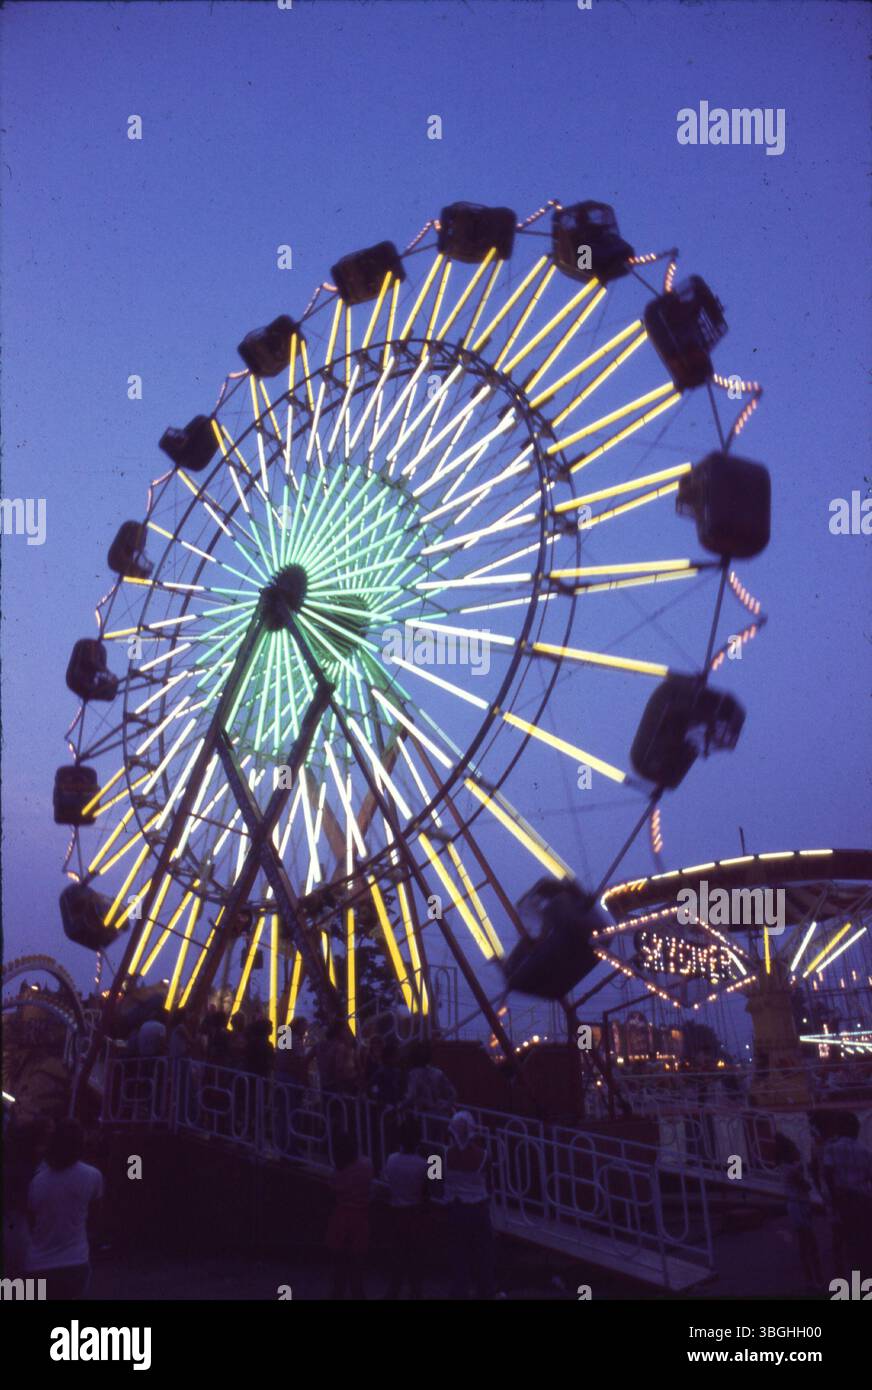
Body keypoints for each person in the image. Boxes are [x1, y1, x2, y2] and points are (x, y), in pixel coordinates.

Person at [27, 1119, 103, 1300]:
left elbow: (31, 1221)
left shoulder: (37, 1181)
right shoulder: (92, 1176)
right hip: (75, 1262)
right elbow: (95, 1216)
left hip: (38, 1263)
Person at [444, 1110, 494, 1299]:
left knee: (458, 1255)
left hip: (456, 1209)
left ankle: (459, 1292)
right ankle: (485, 1291)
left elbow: (436, 1182)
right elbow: (490, 1185)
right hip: (479, 1209)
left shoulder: (442, 1155)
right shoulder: (485, 1156)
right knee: (483, 1254)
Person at [381, 1118, 429, 1299]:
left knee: (397, 1255)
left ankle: (393, 1290)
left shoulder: (391, 1160)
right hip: (415, 1213)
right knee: (415, 1256)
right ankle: (416, 1291)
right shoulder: (423, 1164)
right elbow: (431, 1187)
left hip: (396, 1213)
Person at [821, 1111, 872, 1272]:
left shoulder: (831, 1149)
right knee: (865, 1241)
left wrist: (833, 1201)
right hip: (864, 1198)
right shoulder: (866, 1150)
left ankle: (855, 1283)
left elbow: (828, 1174)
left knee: (850, 1242)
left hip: (844, 1198)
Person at [326, 1130, 373, 1299]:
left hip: (341, 1218)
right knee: (357, 1272)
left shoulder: (336, 1172)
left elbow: (332, 1193)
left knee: (339, 1272)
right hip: (360, 1219)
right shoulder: (366, 1165)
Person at [773, 1131, 822, 1290]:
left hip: (796, 1204)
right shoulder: (791, 1170)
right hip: (799, 1204)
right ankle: (815, 1278)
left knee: (804, 1242)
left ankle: (811, 1278)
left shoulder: (784, 1168)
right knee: (810, 1242)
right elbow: (805, 1185)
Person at [404, 1042, 456, 1117]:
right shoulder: (438, 1072)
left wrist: (401, 1105)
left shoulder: (413, 1074)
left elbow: (411, 1096)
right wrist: (447, 1105)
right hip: (441, 1114)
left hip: (423, 1117)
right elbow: (453, 1093)